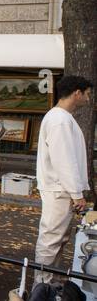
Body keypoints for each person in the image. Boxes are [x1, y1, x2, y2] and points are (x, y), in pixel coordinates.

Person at [34, 75, 93, 271]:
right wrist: (77, 193)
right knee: (51, 239)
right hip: (59, 188)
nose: (88, 98)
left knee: (58, 239)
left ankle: (51, 285)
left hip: (60, 187)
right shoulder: (59, 119)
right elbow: (64, 160)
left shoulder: (60, 117)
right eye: (87, 94)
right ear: (77, 93)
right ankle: (41, 288)